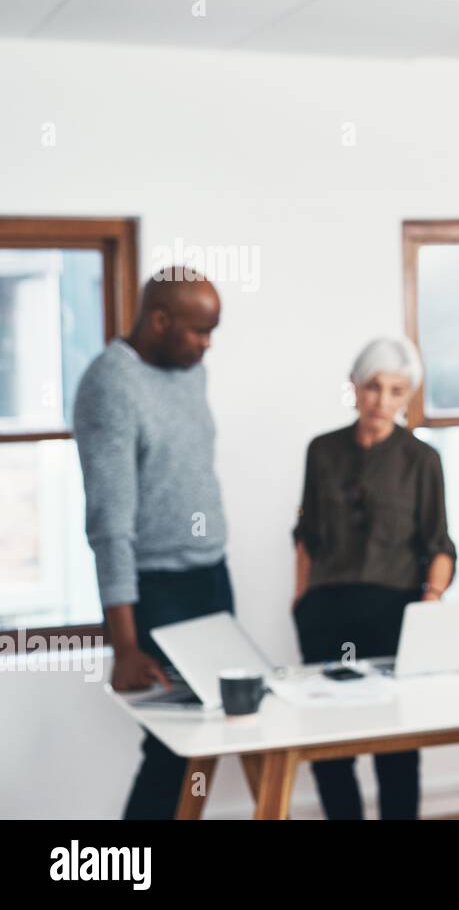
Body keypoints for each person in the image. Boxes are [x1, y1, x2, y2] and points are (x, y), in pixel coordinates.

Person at [73, 266, 231, 820]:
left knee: (211, 736)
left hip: (212, 576)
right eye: (199, 331)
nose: (208, 344)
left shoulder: (191, 370)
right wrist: (125, 645)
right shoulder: (110, 384)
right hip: (159, 588)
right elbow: (110, 523)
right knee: (169, 748)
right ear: (159, 320)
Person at [291, 336, 456, 820]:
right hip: (326, 612)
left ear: (407, 397)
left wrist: (431, 600)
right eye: (373, 387)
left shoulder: (422, 460)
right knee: (329, 742)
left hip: (393, 612)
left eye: (396, 390)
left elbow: (440, 544)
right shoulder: (322, 451)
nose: (383, 401)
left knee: (395, 742)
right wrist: (300, 598)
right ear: (355, 389)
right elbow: (305, 534)